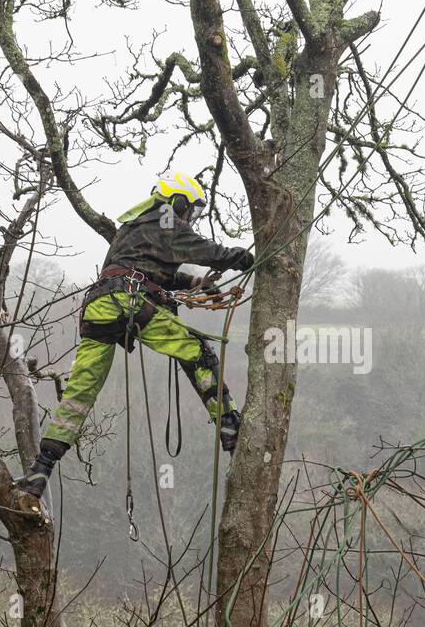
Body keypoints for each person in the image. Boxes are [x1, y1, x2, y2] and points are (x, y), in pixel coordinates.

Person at [14, 174, 253, 499]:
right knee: (195, 350)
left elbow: (146, 268)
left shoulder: (132, 228)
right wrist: (242, 257)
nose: (187, 219)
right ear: (178, 202)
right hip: (128, 301)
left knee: (80, 391)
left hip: (98, 307)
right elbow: (208, 252)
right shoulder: (168, 221)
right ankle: (228, 422)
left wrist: (193, 285)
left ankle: (40, 469)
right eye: (189, 211)